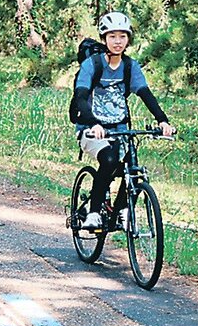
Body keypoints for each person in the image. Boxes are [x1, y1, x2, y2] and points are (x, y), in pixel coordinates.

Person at [72, 12, 174, 230]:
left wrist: (163, 121)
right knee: (109, 160)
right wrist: (93, 124)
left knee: (133, 169)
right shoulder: (92, 65)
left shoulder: (130, 66)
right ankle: (93, 214)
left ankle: (119, 213)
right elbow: (80, 98)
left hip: (120, 129)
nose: (117, 41)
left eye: (122, 36)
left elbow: (145, 94)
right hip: (91, 130)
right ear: (104, 38)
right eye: (112, 36)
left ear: (128, 39)